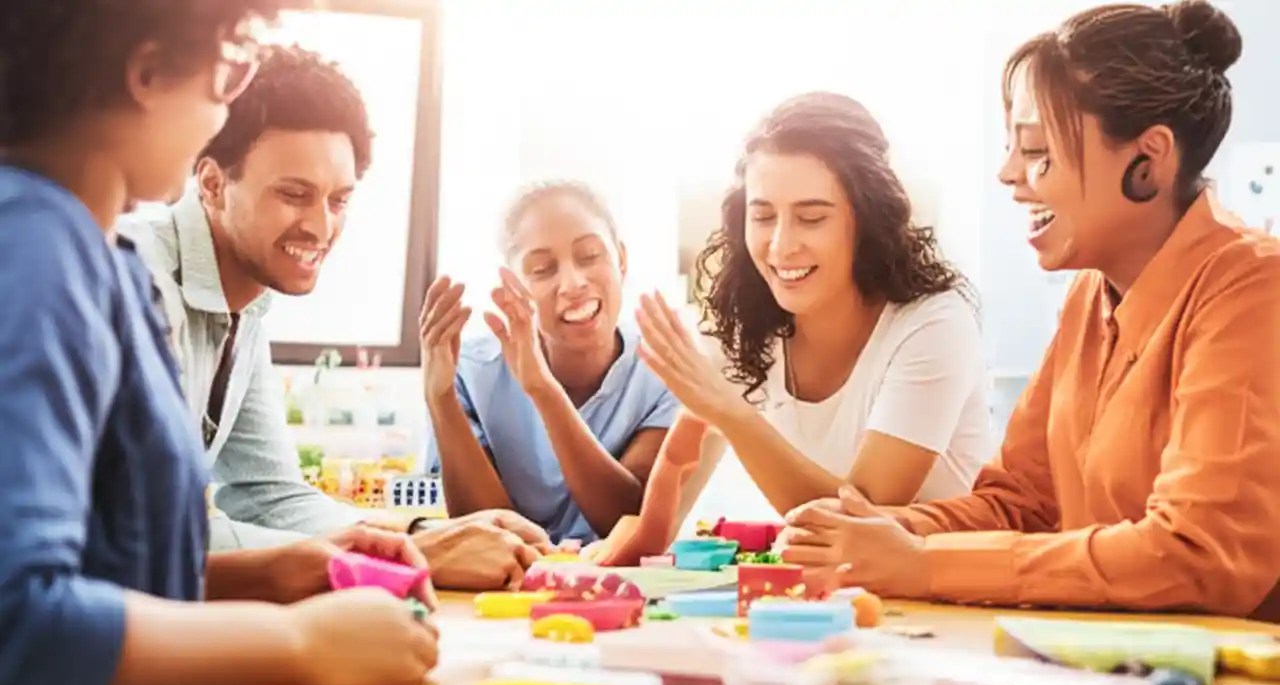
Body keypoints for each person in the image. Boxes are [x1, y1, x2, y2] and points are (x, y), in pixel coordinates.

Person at [0, 2, 439, 685]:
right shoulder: (34, 252)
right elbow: (18, 630)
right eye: (230, 66)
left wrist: (278, 569)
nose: (225, 105)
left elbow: (111, 566)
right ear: (146, 73)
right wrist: (293, 641)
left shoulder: (94, 258)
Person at [778, 0, 1280, 622]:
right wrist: (883, 530)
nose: (1010, 174)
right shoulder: (1089, 296)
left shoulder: (1255, 288)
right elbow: (1022, 504)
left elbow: (1198, 553)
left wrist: (921, 563)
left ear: (1148, 162)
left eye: (1038, 151)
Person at [117, 45, 549, 591]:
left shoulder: (246, 304)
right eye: (294, 195)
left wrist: (414, 531)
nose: (320, 227)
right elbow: (157, 538)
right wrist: (402, 555)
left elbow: (269, 493)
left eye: (339, 201)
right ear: (210, 183)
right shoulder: (138, 279)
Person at [634, 92, 992, 525]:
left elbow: (859, 522)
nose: (781, 246)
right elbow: (668, 504)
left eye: (812, 218)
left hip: (948, 584)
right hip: (834, 591)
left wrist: (730, 413)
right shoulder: (746, 327)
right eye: (763, 217)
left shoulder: (933, 324)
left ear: (867, 220)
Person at [421, 181, 680, 544]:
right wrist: (441, 399)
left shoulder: (663, 370)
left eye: (590, 256)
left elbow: (628, 519)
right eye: (542, 269)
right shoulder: (467, 371)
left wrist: (542, 389)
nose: (573, 283)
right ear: (513, 283)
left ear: (620, 258)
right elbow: (487, 534)